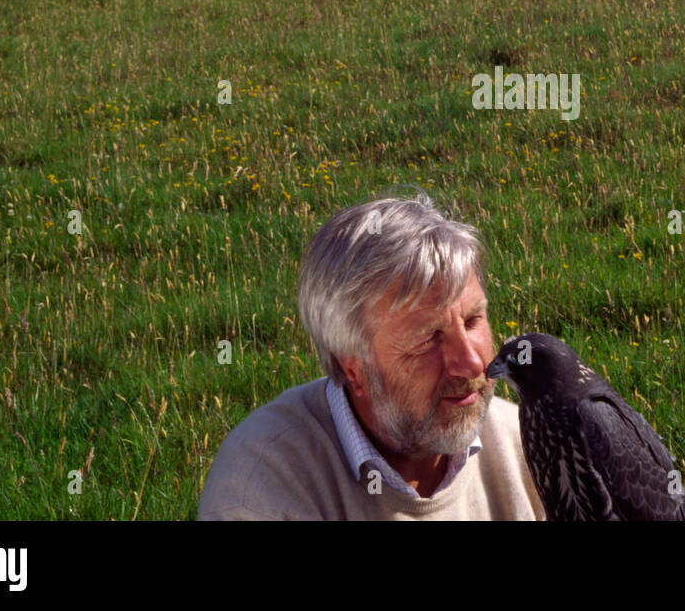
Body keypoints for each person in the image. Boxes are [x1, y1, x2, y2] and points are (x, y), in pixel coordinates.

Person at [197, 192, 544, 520]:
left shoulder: (530, 445)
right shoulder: (262, 483)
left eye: (472, 321)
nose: (471, 363)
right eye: (428, 338)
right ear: (353, 368)